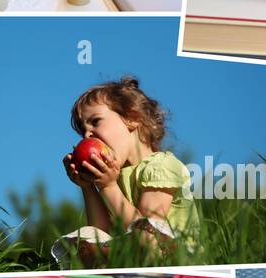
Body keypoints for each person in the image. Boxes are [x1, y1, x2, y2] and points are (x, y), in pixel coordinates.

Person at [61, 76, 201, 253]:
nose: (87, 135)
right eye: (83, 130)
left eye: (95, 122)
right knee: (87, 244)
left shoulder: (161, 165)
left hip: (173, 258)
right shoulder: (115, 177)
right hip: (138, 255)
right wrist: (88, 187)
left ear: (132, 117)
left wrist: (109, 187)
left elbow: (147, 237)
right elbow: (102, 233)